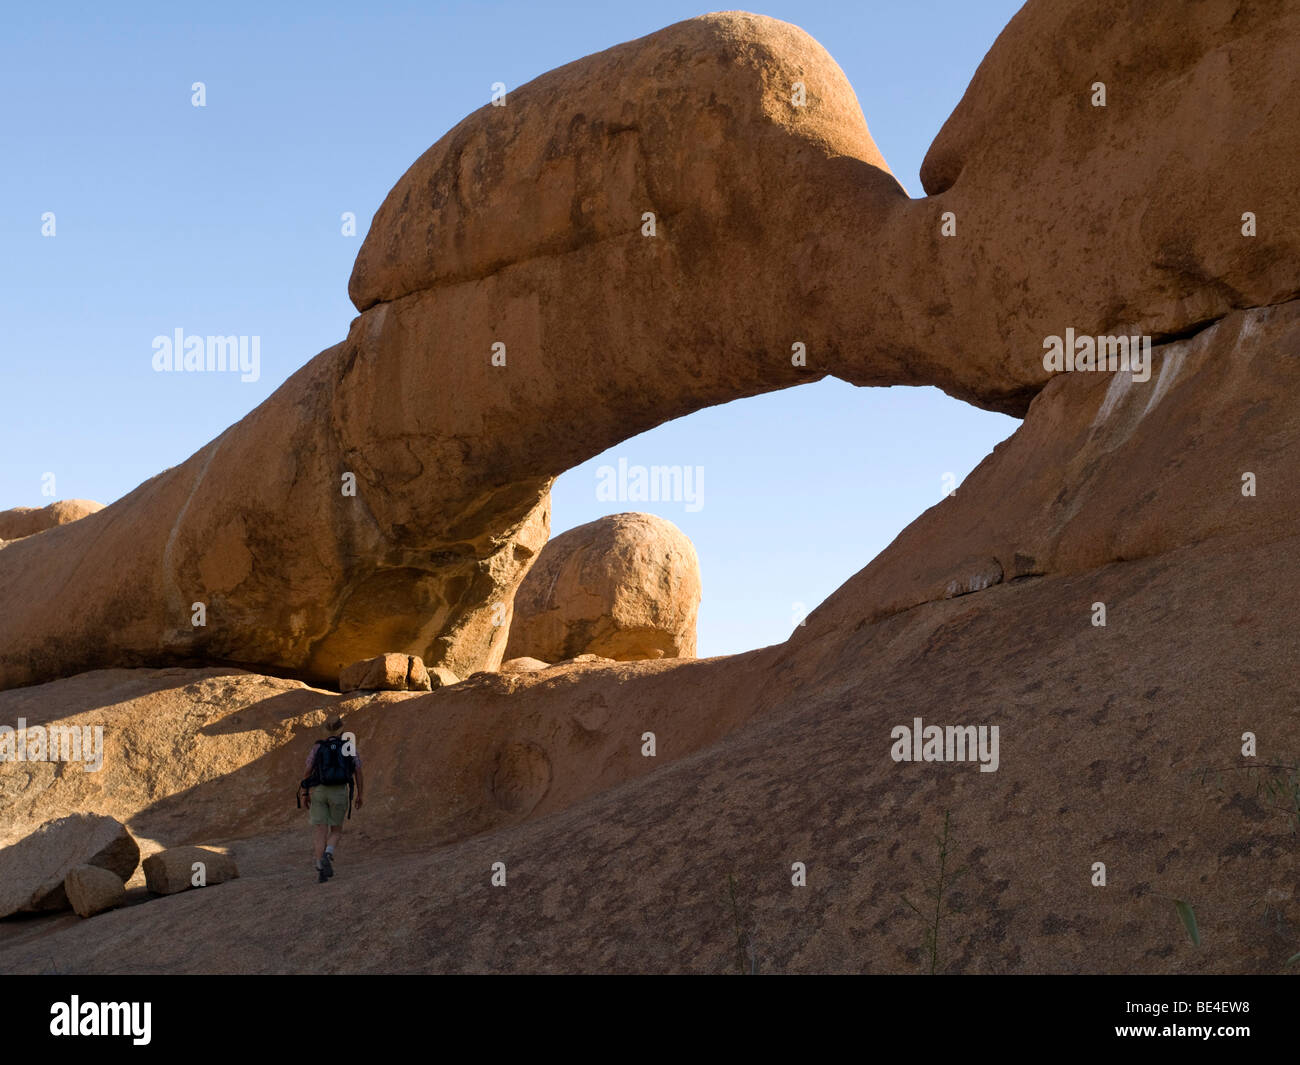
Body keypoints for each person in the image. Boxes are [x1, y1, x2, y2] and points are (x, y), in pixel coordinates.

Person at [299, 715, 364, 883]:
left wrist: (304, 793)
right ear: (341, 730)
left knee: (320, 830)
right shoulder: (348, 746)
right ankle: (328, 853)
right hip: (339, 792)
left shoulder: (319, 747)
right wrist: (360, 794)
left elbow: (307, 771)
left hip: (320, 791)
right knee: (335, 830)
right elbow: (358, 771)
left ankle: (321, 868)